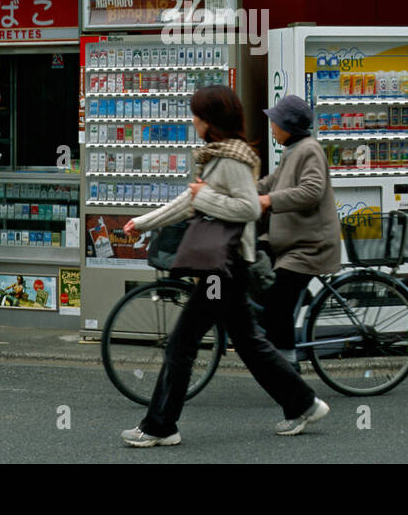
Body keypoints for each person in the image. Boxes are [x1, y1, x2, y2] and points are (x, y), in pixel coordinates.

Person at [119, 85, 328, 447]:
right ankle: (303, 402)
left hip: (224, 267)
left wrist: (207, 196)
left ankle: (160, 426)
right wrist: (143, 222)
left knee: (182, 344)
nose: (194, 121)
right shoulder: (220, 156)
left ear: (211, 120)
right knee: (248, 342)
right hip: (229, 267)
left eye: (197, 115)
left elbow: (247, 208)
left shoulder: (232, 159)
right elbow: (189, 201)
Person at [256, 95, 342, 365]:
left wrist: (270, 201)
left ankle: (287, 365)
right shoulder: (292, 150)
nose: (271, 126)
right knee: (251, 263)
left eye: (275, 122)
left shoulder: (309, 149)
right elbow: (270, 183)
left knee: (277, 305)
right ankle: (299, 294)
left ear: (288, 125)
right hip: (289, 243)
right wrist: (238, 194)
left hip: (309, 247)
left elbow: (312, 191)